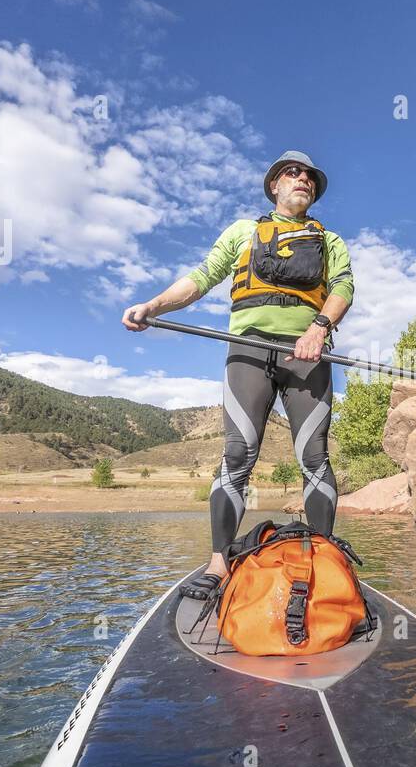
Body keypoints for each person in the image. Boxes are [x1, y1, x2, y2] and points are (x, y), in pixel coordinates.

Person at [122, 151, 354, 598]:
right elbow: (203, 276)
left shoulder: (330, 241)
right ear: (274, 186)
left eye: (309, 176)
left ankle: (322, 556)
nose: (303, 178)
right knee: (237, 454)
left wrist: (319, 327)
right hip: (248, 349)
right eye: (293, 173)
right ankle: (218, 562)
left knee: (314, 457)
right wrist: (153, 305)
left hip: (307, 352)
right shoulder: (242, 232)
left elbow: (343, 287)